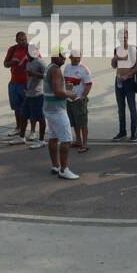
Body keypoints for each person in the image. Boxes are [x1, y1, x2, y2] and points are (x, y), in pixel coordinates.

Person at [43, 47, 78, 179]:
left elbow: (54, 88)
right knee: (66, 140)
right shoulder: (56, 70)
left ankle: (55, 165)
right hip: (57, 110)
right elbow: (58, 93)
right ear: (54, 56)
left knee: (53, 137)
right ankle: (63, 169)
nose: (64, 59)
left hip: (48, 109)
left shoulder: (49, 67)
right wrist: (69, 94)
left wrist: (64, 87)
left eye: (64, 56)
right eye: (61, 56)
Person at [111, 29, 137, 140]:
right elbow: (114, 65)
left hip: (129, 81)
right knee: (120, 108)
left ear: (128, 37)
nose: (123, 39)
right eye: (121, 37)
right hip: (118, 81)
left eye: (125, 37)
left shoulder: (132, 49)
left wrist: (128, 75)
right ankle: (122, 131)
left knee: (132, 107)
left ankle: (134, 132)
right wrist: (115, 58)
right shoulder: (117, 49)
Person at [63, 49, 93, 153]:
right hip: (69, 100)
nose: (76, 59)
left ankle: (85, 144)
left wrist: (83, 97)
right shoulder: (67, 68)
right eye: (74, 57)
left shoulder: (84, 69)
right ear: (70, 57)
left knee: (83, 123)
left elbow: (89, 84)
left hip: (79, 100)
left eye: (78, 57)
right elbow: (64, 81)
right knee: (74, 122)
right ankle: (78, 141)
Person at [4, 31, 31, 142]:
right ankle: (18, 127)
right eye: (21, 40)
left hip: (27, 83)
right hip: (14, 83)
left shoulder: (31, 48)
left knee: (30, 108)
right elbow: (5, 64)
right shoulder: (12, 49)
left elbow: (38, 62)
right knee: (16, 107)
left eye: (24, 39)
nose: (23, 41)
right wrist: (12, 62)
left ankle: (33, 130)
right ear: (16, 40)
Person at [22, 43, 47, 150]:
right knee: (23, 115)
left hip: (38, 95)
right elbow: (28, 77)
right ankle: (21, 137)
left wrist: (34, 74)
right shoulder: (28, 62)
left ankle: (41, 140)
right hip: (28, 94)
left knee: (40, 118)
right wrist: (26, 87)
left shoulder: (40, 62)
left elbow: (48, 76)